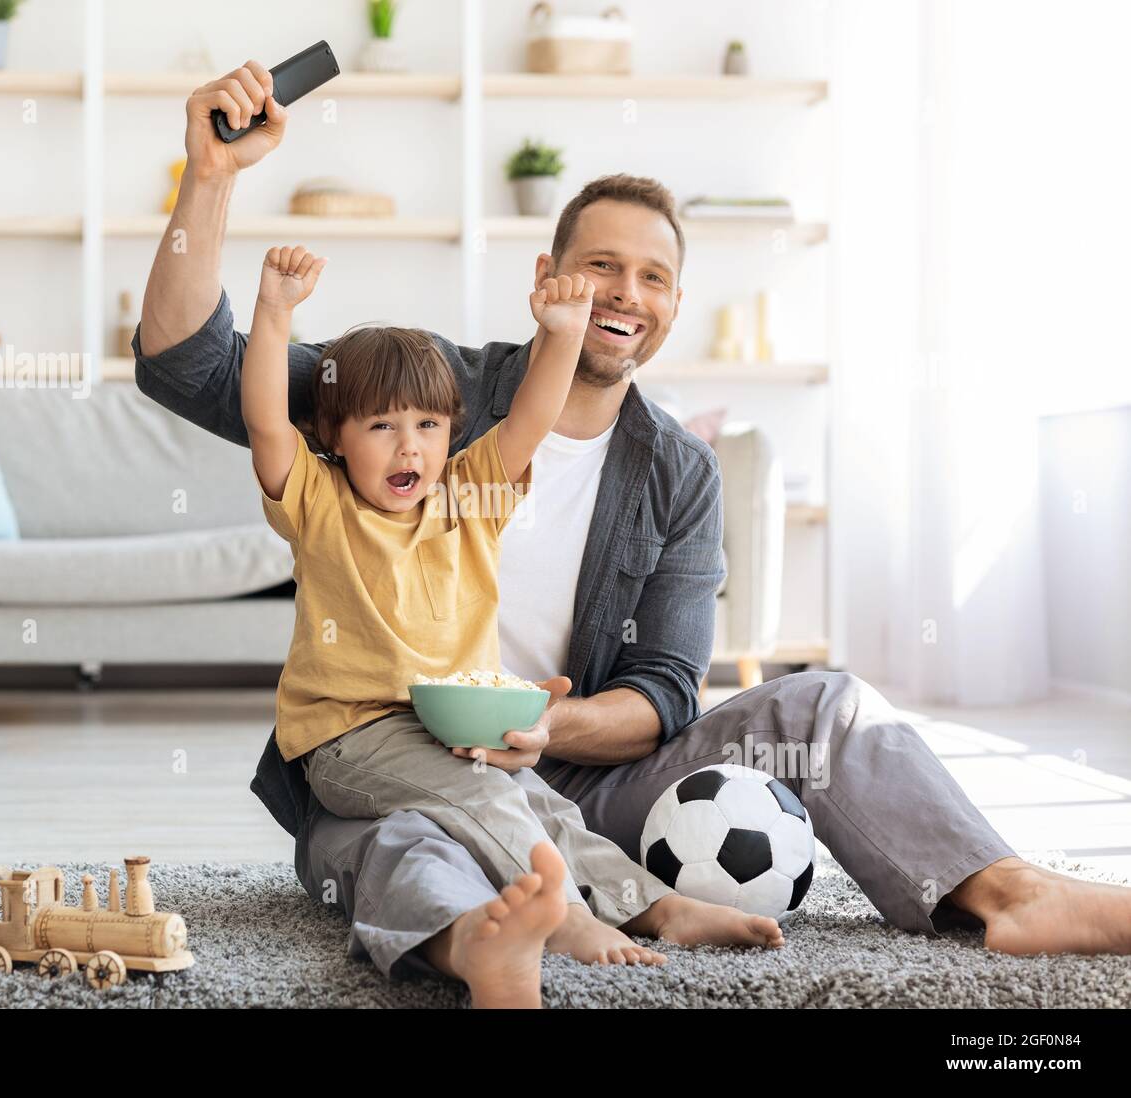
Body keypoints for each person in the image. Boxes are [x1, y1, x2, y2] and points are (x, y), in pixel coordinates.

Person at [132, 61, 1131, 1008]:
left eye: (651, 277)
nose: (624, 292)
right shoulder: (422, 397)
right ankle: (489, 938)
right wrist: (210, 178)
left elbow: (662, 690)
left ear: (672, 307)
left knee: (824, 706)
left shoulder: (676, 472)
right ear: (549, 275)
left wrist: (539, 730)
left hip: (587, 781)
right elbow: (187, 364)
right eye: (600, 266)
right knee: (413, 847)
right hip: (389, 767)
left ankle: (1006, 893)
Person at [242, 244, 784, 1001]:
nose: (411, 446)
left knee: (543, 803)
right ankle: (562, 915)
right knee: (489, 796)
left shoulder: (469, 499)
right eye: (383, 427)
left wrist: (562, 332)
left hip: (445, 732)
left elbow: (532, 418)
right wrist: (274, 310)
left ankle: (651, 906)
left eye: (430, 425)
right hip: (348, 738)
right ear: (335, 438)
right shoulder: (318, 502)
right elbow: (267, 421)